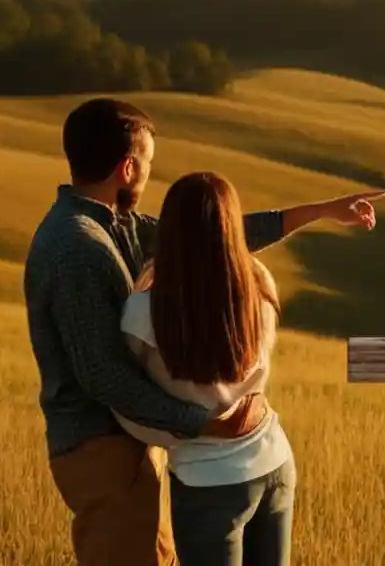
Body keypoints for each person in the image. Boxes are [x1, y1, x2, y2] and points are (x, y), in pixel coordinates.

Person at [23, 98, 385, 565]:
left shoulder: (113, 225)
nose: (150, 175)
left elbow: (214, 239)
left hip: (138, 442)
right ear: (128, 167)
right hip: (101, 450)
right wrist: (205, 422)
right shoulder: (77, 246)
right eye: (149, 164)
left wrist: (316, 212)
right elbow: (102, 376)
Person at [114, 172, 294, 566]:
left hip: (206, 478)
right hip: (274, 459)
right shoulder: (259, 288)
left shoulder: (145, 311)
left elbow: (125, 393)